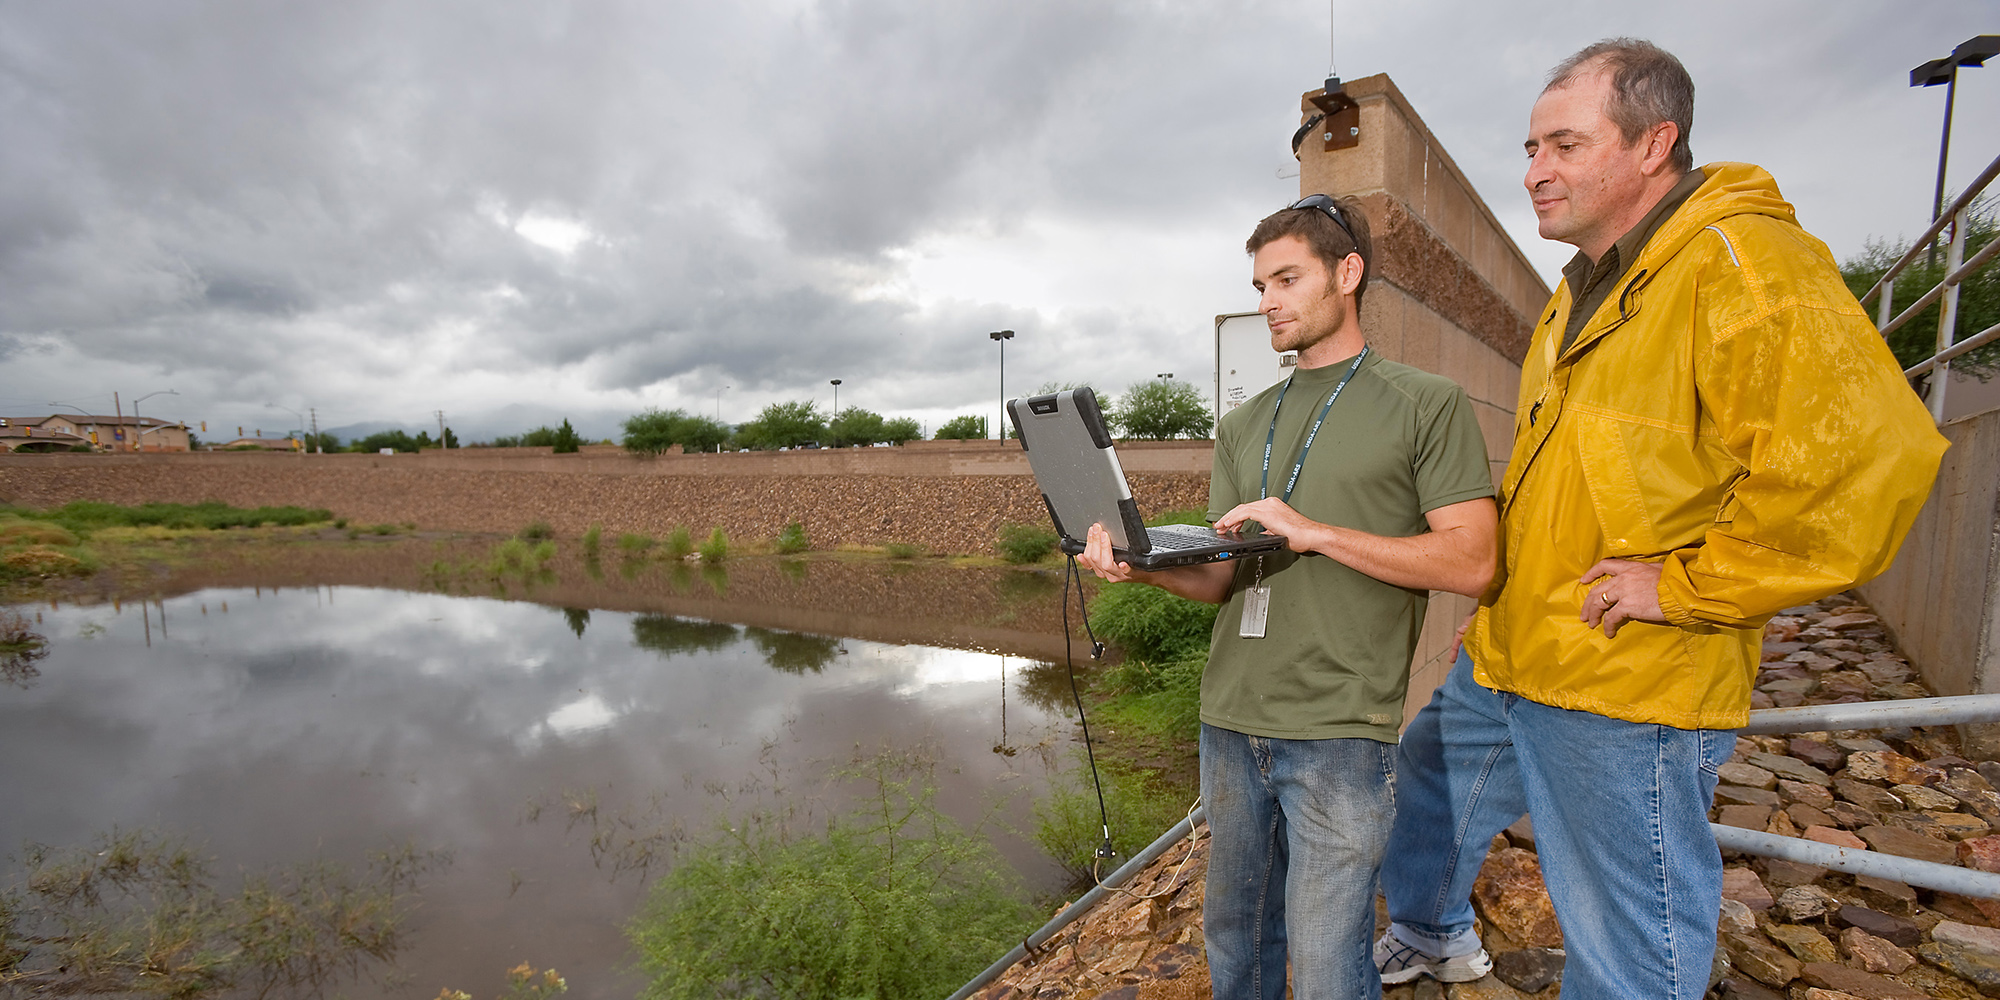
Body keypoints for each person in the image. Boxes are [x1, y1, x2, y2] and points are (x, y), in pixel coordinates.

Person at [1374, 38, 1949, 998]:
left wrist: (1686, 587)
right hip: (1523, 644)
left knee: (1626, 936)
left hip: (1626, 676)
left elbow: (1862, 460)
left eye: (1562, 144)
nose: (1533, 171)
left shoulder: (1740, 264)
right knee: (1430, 780)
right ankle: (1431, 932)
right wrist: (1505, 603)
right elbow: (1567, 480)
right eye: (1528, 147)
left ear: (1655, 143)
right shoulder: (1584, 290)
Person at [1076, 194, 1499, 1000]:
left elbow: (1474, 563)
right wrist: (1146, 565)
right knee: (1236, 946)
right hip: (1230, 721)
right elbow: (1222, 580)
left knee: (1330, 966)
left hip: (1340, 728)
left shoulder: (1424, 402)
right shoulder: (1245, 425)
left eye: (1286, 278)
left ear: (1348, 273)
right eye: (1260, 282)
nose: (1266, 300)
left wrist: (1314, 531)